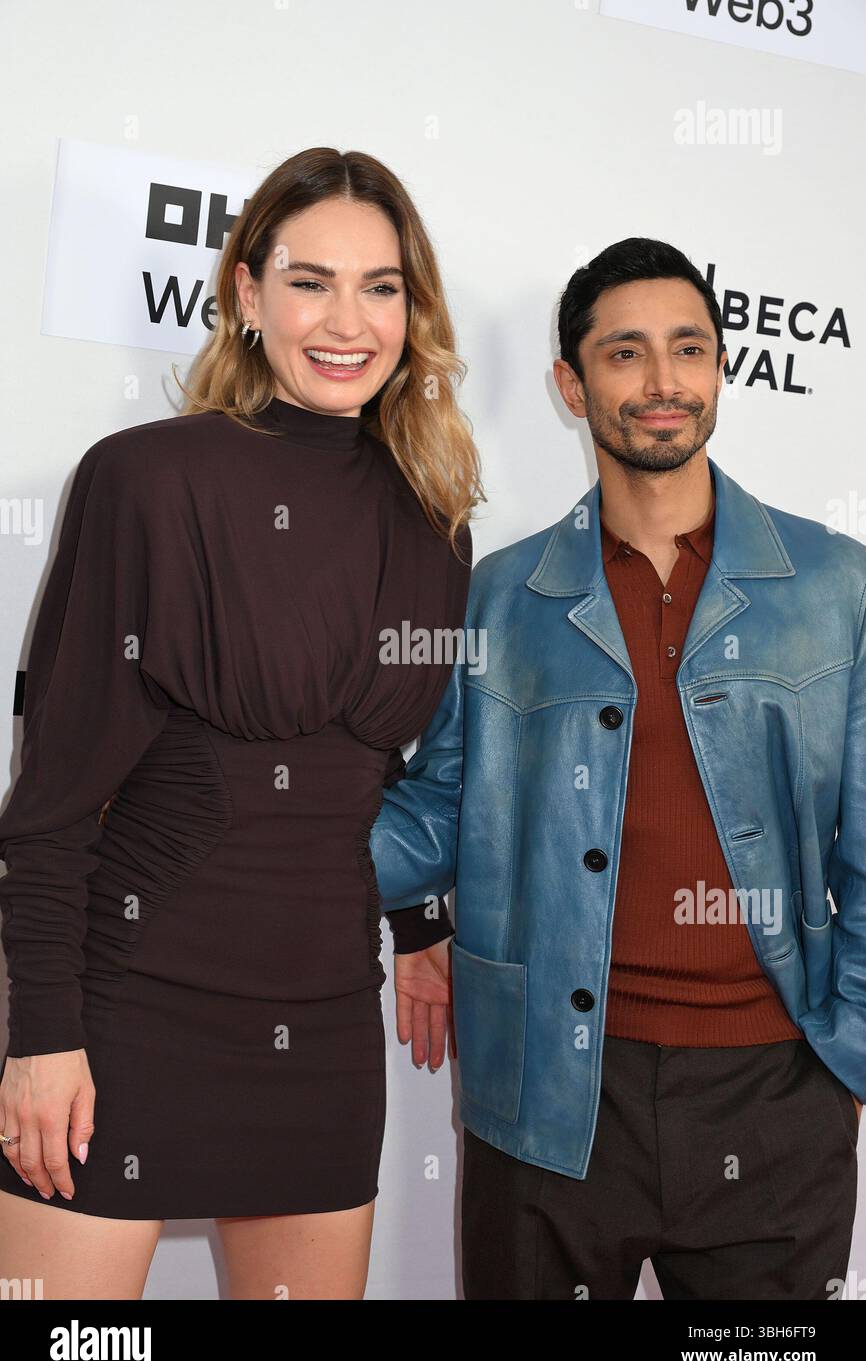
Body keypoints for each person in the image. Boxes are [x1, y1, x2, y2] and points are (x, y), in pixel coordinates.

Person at [0, 146, 478, 1300]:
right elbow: (51, 800)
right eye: (310, 280)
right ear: (244, 292)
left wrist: (415, 923)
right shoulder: (146, 481)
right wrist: (39, 1036)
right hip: (128, 1007)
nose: (346, 320)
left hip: (322, 1024)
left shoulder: (436, 525)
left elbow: (384, 777)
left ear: (413, 313)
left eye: (381, 286)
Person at [371, 237, 865, 1300]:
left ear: (720, 371)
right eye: (624, 353)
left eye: (687, 350)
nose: (660, 383)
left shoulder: (834, 584)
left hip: (773, 1098)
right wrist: (234, 823)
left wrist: (849, 1047)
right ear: (570, 383)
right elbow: (433, 817)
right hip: (544, 1094)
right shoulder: (498, 596)